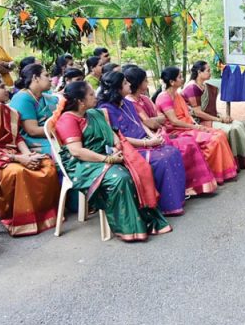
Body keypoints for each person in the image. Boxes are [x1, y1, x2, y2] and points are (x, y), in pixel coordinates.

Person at [55, 81, 171, 242]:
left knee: (138, 169)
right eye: (90, 94)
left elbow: (113, 133)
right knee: (121, 178)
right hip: (82, 164)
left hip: (105, 155)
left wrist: (117, 146)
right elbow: (77, 151)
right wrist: (107, 158)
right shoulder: (68, 120)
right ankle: (128, 228)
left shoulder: (94, 114)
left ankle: (147, 221)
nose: (95, 96)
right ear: (80, 101)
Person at [0, 74, 59, 236]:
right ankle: (20, 220)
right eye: (1, 86)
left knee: (47, 164)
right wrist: (18, 159)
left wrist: (28, 155)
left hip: (12, 153)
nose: (7, 88)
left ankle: (44, 217)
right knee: (18, 172)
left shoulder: (6, 111)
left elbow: (17, 137)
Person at [96, 71, 187, 216]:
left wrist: (153, 136)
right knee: (162, 160)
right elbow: (119, 138)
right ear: (117, 88)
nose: (130, 84)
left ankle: (176, 201)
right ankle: (164, 206)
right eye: (125, 83)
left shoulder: (126, 102)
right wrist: (147, 142)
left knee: (173, 152)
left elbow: (140, 124)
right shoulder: (105, 110)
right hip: (129, 148)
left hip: (144, 140)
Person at [124, 66, 218, 195]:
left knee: (191, 143)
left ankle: (195, 187)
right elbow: (150, 122)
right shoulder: (130, 102)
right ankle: (187, 189)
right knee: (188, 144)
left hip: (159, 132)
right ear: (138, 83)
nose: (147, 83)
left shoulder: (144, 99)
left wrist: (157, 121)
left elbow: (159, 118)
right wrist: (157, 123)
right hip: (152, 136)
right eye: (145, 80)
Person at [155, 66, 237, 184]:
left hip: (187, 126)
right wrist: (196, 127)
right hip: (176, 132)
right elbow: (174, 121)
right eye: (180, 77)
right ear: (172, 82)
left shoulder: (177, 95)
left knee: (220, 134)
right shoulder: (164, 97)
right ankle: (213, 173)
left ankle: (224, 172)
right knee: (215, 139)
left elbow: (187, 114)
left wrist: (195, 123)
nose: (183, 79)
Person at [183, 61, 245, 169]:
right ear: (199, 72)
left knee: (239, 124)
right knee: (232, 130)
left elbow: (210, 109)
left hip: (209, 117)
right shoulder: (192, 88)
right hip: (197, 121)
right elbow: (198, 113)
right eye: (208, 70)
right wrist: (220, 120)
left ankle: (242, 160)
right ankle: (233, 163)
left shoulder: (203, 86)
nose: (210, 73)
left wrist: (222, 116)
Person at [9, 64, 58, 155]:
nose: (50, 79)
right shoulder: (22, 98)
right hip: (31, 141)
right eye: (46, 75)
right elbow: (33, 131)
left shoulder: (46, 96)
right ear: (35, 78)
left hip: (51, 133)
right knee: (61, 151)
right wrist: (62, 130)